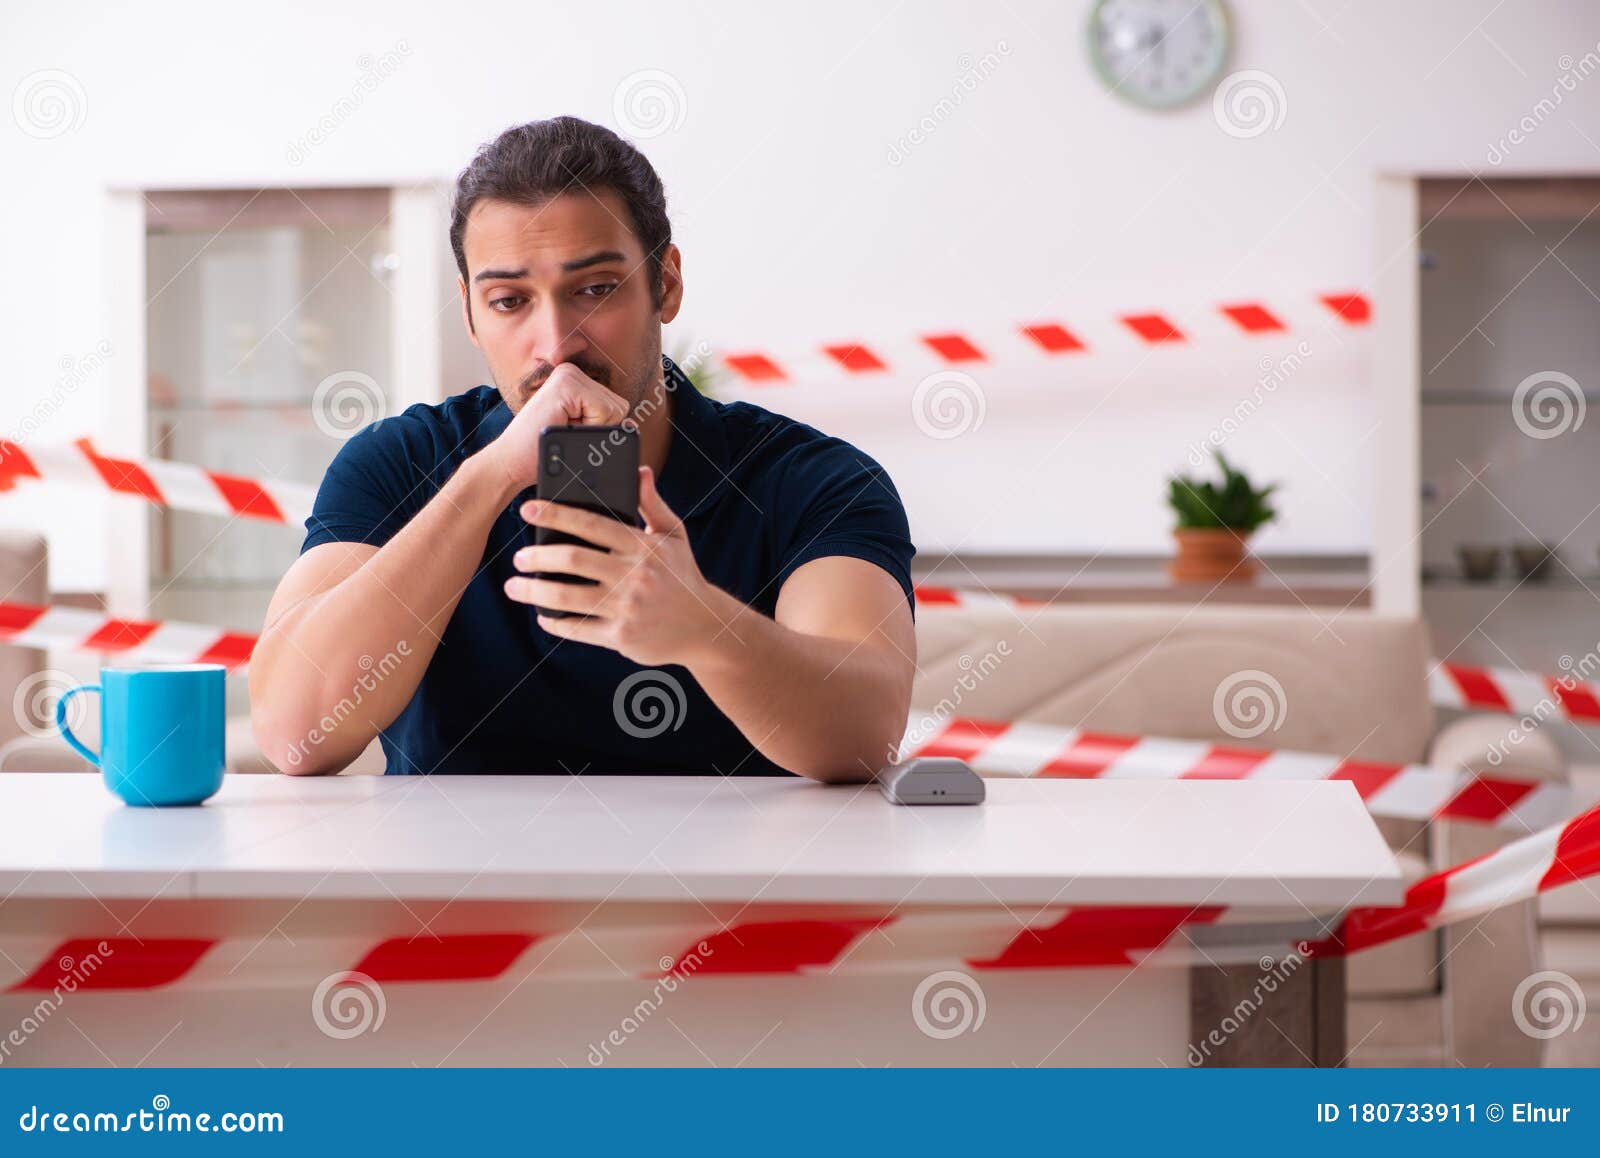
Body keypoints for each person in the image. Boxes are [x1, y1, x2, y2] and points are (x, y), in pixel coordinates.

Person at [249, 116, 916, 781]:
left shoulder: (811, 480)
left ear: (667, 284)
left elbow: (866, 736)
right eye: (510, 301)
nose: (558, 342)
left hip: (724, 886)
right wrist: (490, 481)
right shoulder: (400, 463)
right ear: (470, 315)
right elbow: (295, 734)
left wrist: (705, 629)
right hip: (458, 886)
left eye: (595, 290)